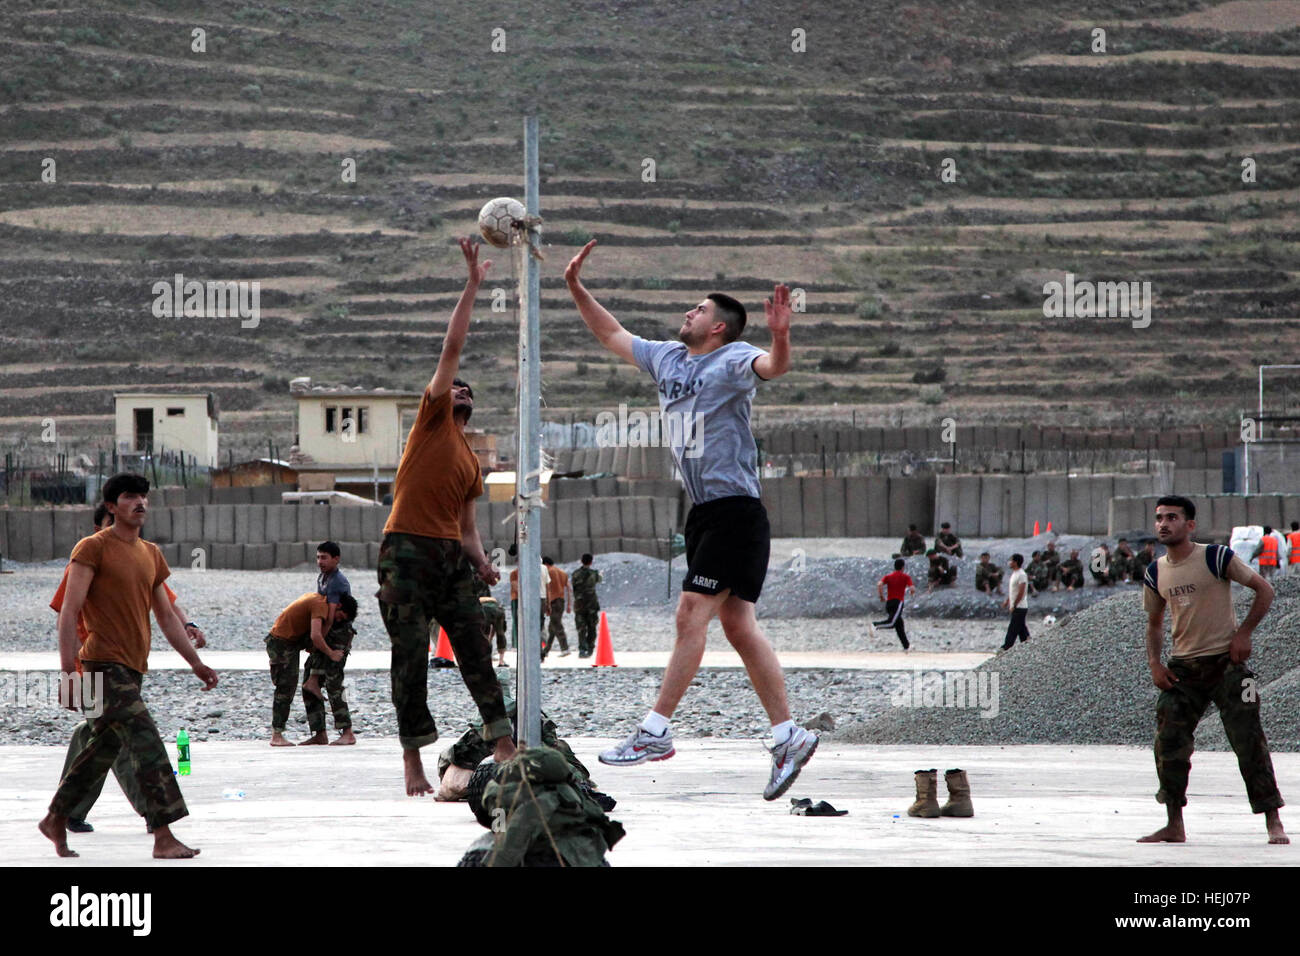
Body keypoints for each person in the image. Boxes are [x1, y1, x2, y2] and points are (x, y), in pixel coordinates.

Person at [567, 239, 818, 800]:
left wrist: (781, 334)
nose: (689, 313)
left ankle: (655, 730)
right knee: (737, 625)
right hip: (704, 512)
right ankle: (788, 736)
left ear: (720, 328)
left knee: (690, 612)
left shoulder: (732, 359)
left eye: (699, 310)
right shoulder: (668, 357)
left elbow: (773, 367)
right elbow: (611, 334)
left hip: (735, 510)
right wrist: (576, 288)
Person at [377, 237, 515, 796]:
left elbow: (468, 525)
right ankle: (412, 759)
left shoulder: (470, 460)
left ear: (471, 406)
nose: (455, 386)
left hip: (450, 557)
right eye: (451, 385)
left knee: (475, 648)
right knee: (409, 657)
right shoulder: (430, 423)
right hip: (405, 550)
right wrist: (473, 285)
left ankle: (503, 742)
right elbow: (451, 346)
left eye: (463, 389)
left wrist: (481, 565)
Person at [39, 473, 218, 859]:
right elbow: (68, 613)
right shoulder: (92, 549)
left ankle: (56, 816)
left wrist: (196, 662)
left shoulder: (150, 553)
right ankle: (163, 834)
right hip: (103, 664)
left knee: (103, 746)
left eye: (143, 496)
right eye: (130, 496)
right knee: (146, 743)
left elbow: (167, 616)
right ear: (111, 506)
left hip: (133, 668)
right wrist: (69, 672)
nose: (140, 503)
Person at [1139, 495, 1287, 845]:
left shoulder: (1216, 557)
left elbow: (1264, 590)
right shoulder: (1155, 571)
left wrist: (1244, 634)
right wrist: (1155, 664)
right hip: (1183, 671)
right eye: (1159, 518)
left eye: (1172, 518)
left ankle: (1273, 820)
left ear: (1190, 524)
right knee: (1169, 742)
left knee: (1248, 739)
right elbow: (1154, 623)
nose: (1163, 524)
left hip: (1228, 665)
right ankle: (1174, 823)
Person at [265, 591, 355, 746]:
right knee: (286, 687)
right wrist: (331, 653)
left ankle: (341, 733)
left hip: (294, 642)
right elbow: (315, 636)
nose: (337, 620)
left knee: (327, 683)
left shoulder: (326, 598)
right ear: (337, 606)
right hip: (283, 643)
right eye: (339, 617)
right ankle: (278, 734)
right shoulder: (320, 604)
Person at [302, 540, 351, 710]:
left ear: (336, 559)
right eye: (317, 558)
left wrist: (319, 638)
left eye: (324, 558)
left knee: (334, 681)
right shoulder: (323, 577)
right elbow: (319, 606)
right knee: (309, 676)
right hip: (326, 628)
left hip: (338, 632)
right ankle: (319, 732)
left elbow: (330, 617)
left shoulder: (337, 581)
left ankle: (346, 730)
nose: (319, 562)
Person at [508, 543, 547, 649]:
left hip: (527, 599)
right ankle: (518, 644)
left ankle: (534, 644)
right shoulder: (514, 573)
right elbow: (515, 587)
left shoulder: (530, 572)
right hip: (517, 600)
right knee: (517, 622)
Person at [871, 558, 914, 651]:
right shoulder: (906, 577)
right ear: (903, 567)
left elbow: (879, 584)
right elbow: (912, 588)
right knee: (891, 623)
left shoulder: (888, 576)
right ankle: (875, 625)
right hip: (898, 602)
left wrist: (881, 596)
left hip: (889, 603)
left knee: (899, 624)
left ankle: (906, 646)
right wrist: (912, 592)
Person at [571, 553, 603, 658]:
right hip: (592, 605)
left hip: (579, 605)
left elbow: (574, 587)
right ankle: (590, 648)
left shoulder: (575, 574)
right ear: (591, 562)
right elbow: (600, 580)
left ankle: (582, 649)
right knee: (592, 627)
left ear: (581, 561)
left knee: (581, 628)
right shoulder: (595, 574)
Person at [474, 575, 509, 667]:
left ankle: (484, 659)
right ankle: (501, 661)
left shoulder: (472, 586)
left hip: (483, 608)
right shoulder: (485, 584)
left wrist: (488, 640)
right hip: (496, 607)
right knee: (500, 634)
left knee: (483, 635)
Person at [542, 555, 572, 659]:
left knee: (557, 625)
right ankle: (546, 650)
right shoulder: (562, 573)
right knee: (552, 627)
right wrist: (569, 604)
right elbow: (569, 588)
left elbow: (548, 589)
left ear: (545, 564)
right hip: (561, 601)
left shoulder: (548, 572)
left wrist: (547, 605)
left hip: (553, 601)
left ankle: (565, 648)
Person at [1000, 554, 1030, 650]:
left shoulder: (1021, 574)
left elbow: (1021, 591)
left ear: (1016, 562)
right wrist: (1007, 601)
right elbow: (1014, 591)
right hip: (1017, 606)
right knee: (1021, 628)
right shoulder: (1015, 573)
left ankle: (1006, 647)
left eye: (1011, 560)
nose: (1009, 562)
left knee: (1013, 629)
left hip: (1020, 607)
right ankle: (1028, 645)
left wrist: (1014, 604)